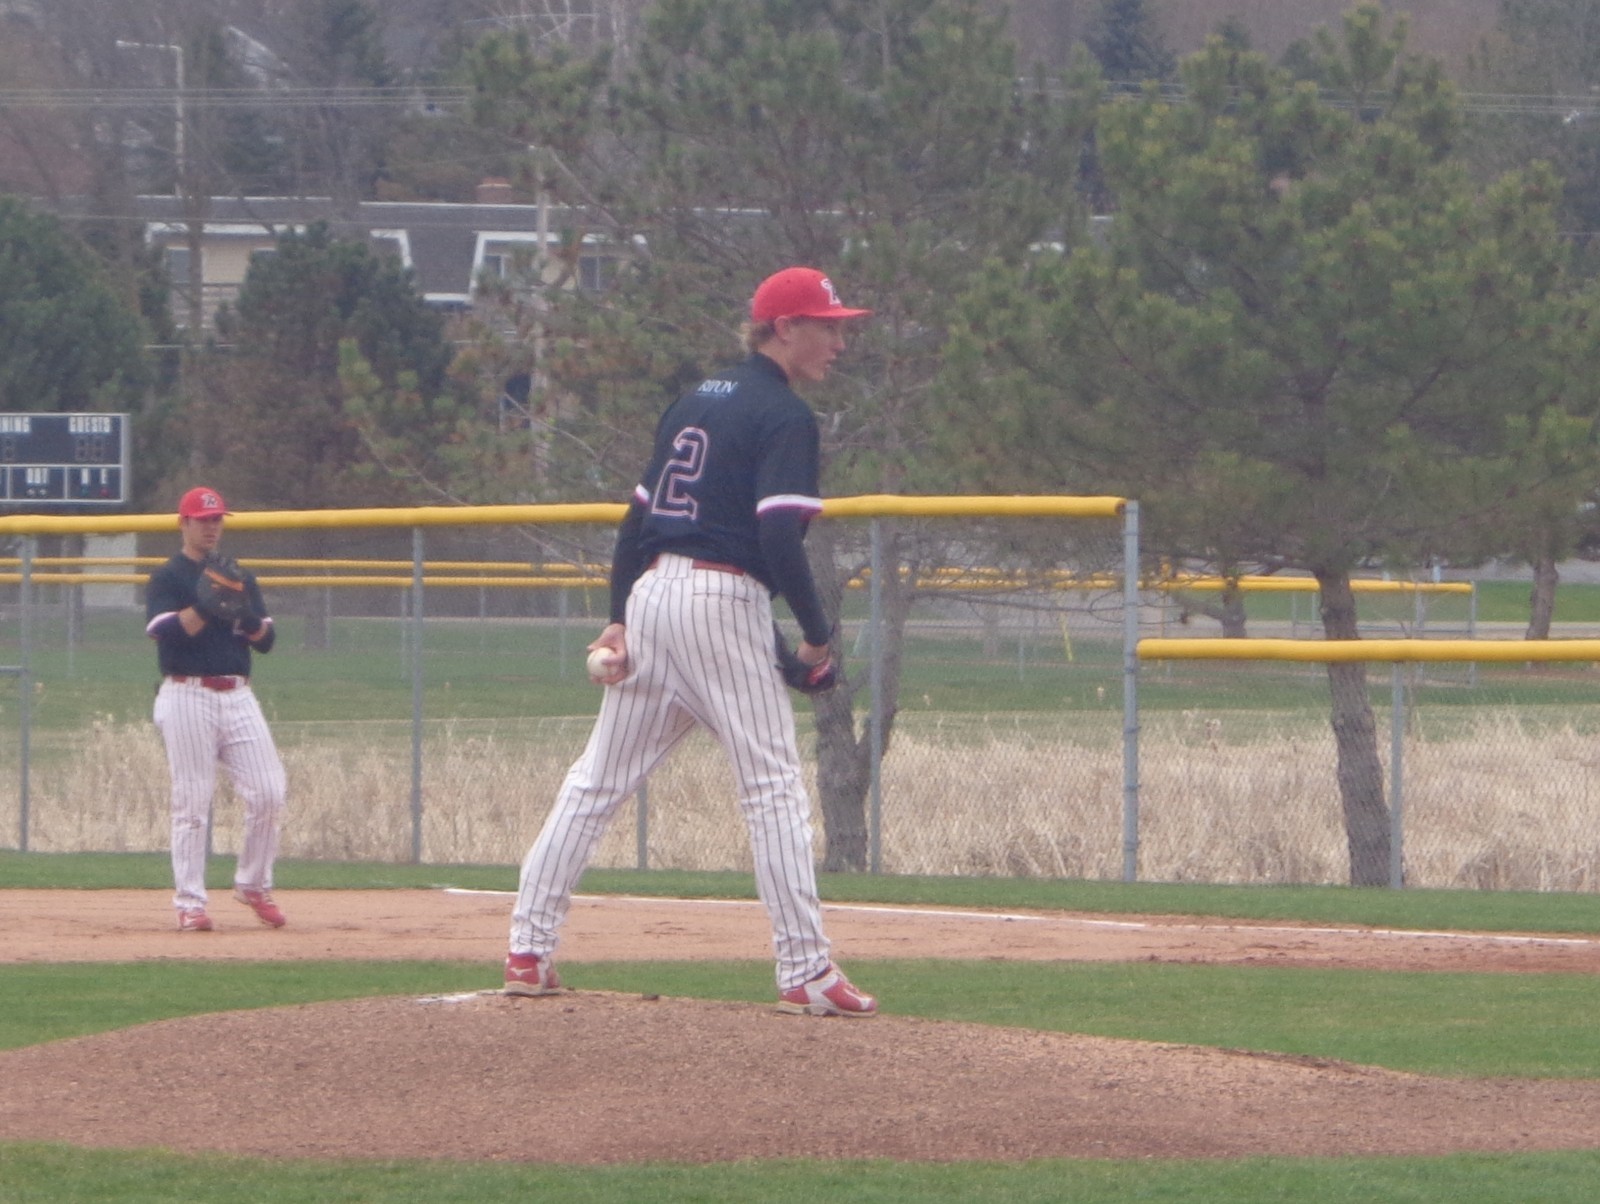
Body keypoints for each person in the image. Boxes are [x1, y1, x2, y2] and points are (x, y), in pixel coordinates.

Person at [506, 266, 877, 1016]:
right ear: (783, 328)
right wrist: (814, 636)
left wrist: (619, 612)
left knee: (596, 782)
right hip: (718, 594)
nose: (839, 339)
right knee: (771, 786)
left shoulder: (695, 401)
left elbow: (636, 519)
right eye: (826, 324)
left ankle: (527, 948)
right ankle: (805, 969)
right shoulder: (785, 416)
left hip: (654, 594)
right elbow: (776, 535)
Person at [145, 486, 289, 932]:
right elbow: (162, 632)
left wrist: (243, 615)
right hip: (187, 693)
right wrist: (206, 606)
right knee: (192, 802)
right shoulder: (168, 577)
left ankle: (252, 883)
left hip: (237, 693)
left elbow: (265, 641)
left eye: (217, 519)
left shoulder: (238, 575)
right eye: (202, 519)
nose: (211, 526)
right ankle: (190, 902)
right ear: (183, 523)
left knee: (269, 791)